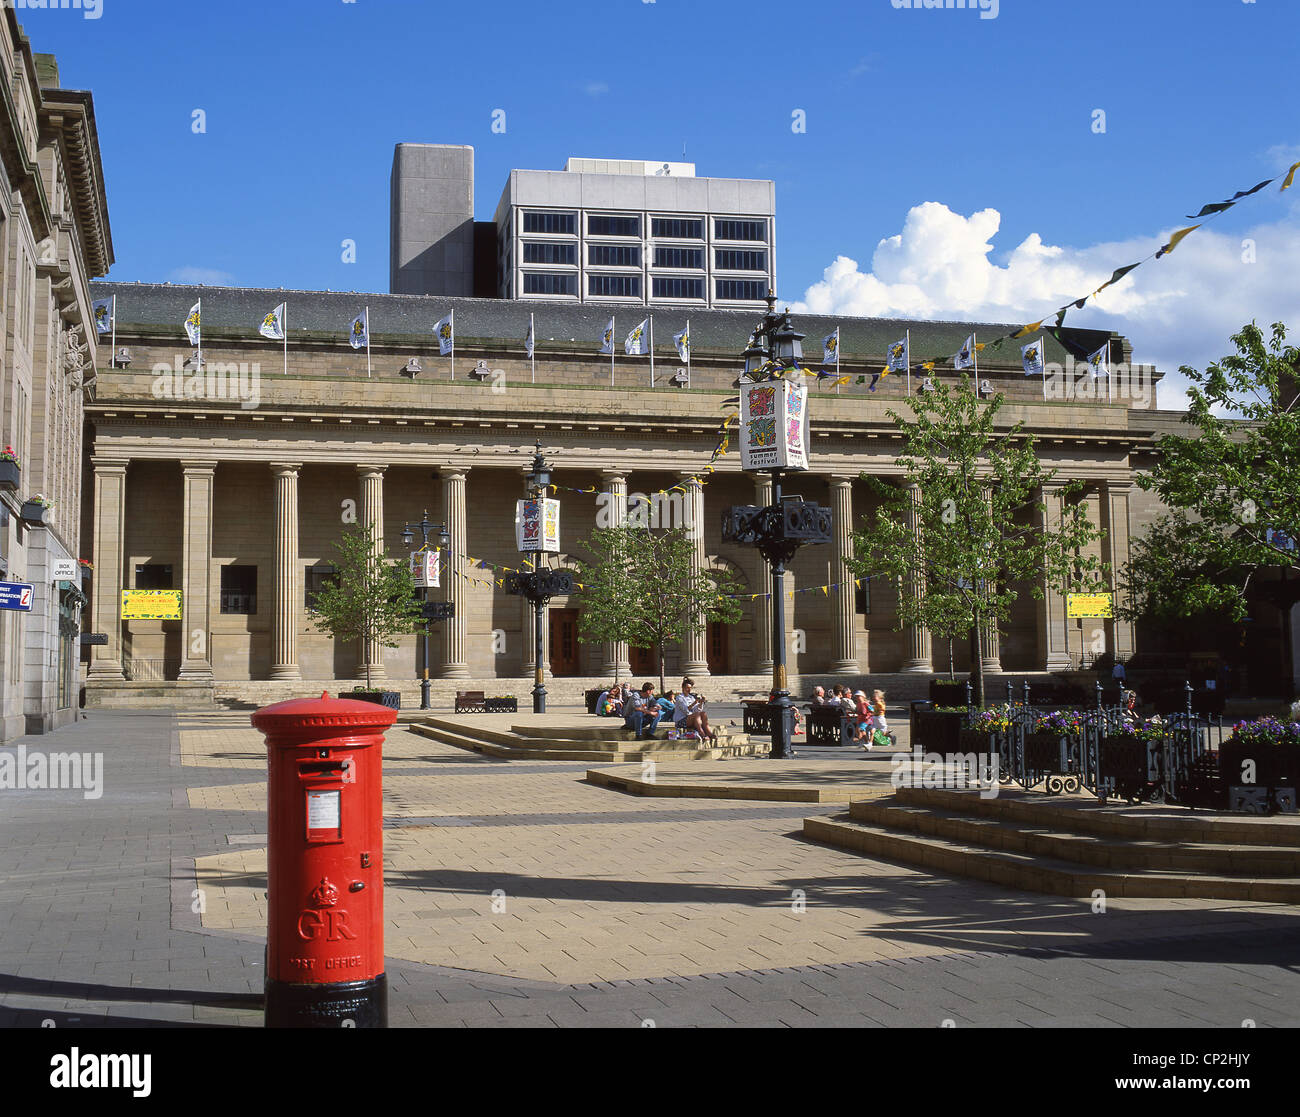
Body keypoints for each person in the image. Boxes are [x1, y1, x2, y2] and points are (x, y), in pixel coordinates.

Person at [673, 678, 719, 744]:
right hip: (681, 720)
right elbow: (686, 710)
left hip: (691, 718)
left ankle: (709, 733)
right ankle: (702, 733)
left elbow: (697, 709)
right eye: (687, 688)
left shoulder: (691, 697)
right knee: (697, 715)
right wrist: (694, 703)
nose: (689, 690)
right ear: (683, 687)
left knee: (703, 713)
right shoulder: (679, 698)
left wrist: (700, 702)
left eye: (690, 688)